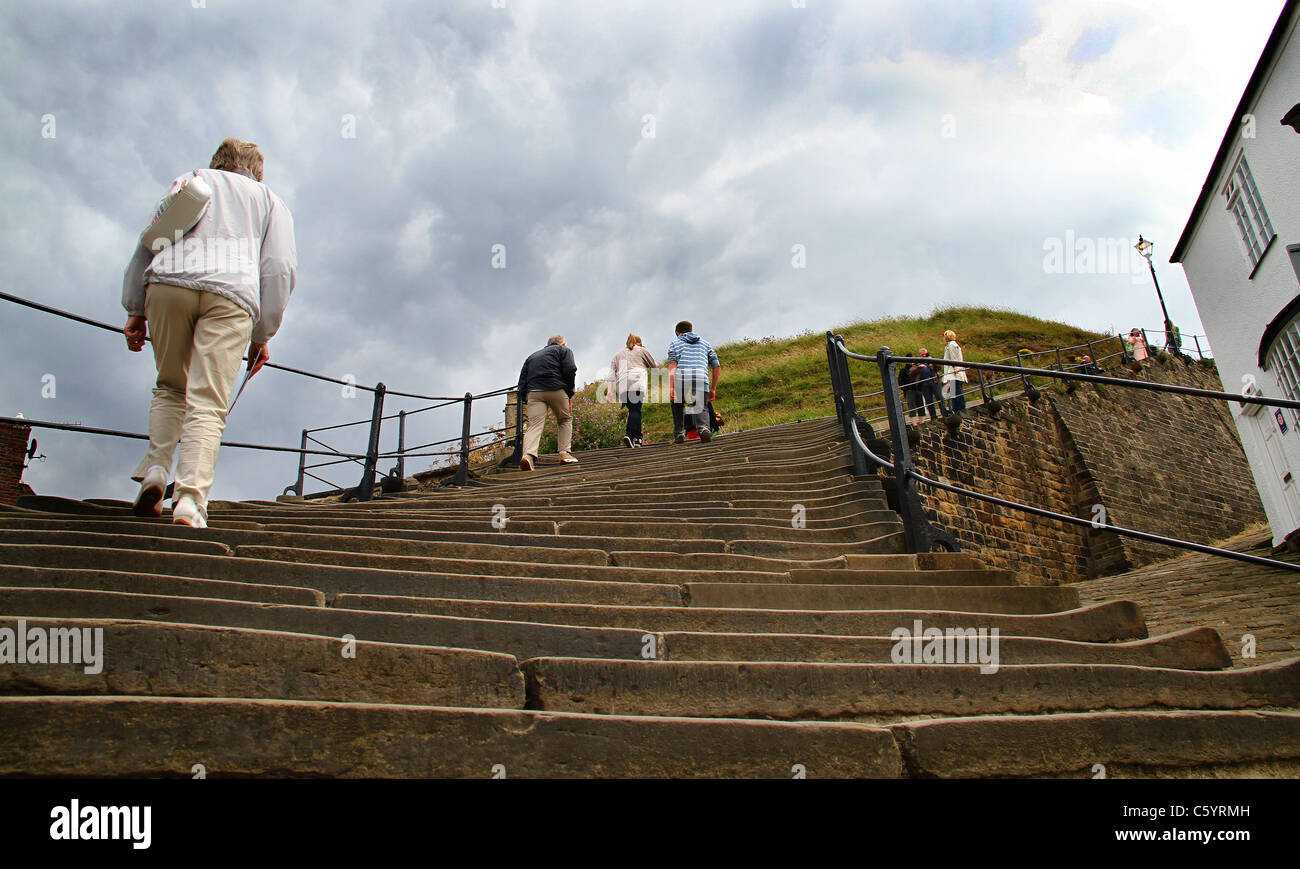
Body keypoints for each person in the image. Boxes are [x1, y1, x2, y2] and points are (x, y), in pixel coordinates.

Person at [122, 138, 297, 529]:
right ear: (257, 170)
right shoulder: (269, 201)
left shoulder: (190, 179)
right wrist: (262, 333)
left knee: (170, 386)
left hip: (168, 284)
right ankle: (189, 500)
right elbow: (280, 269)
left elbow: (149, 242)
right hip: (232, 296)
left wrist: (135, 308)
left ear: (217, 162)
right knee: (208, 401)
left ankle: (155, 473)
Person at [517, 334, 578, 471]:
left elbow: (522, 380)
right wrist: (569, 393)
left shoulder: (532, 356)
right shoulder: (564, 351)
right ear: (562, 343)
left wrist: (524, 397)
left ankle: (527, 455)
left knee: (534, 425)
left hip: (534, 391)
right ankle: (564, 453)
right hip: (556, 388)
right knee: (564, 419)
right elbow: (570, 369)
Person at [667, 320, 720, 443]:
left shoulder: (675, 343)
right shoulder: (705, 343)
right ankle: (704, 429)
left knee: (677, 404)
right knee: (700, 405)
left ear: (677, 333)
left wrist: (671, 387)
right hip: (701, 377)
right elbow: (716, 365)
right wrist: (713, 388)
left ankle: (679, 433)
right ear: (691, 330)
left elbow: (673, 366)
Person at [607, 334, 658, 447]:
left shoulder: (617, 354)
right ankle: (629, 435)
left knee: (634, 410)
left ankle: (637, 439)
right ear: (639, 343)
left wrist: (609, 391)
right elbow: (655, 368)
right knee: (635, 410)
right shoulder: (641, 350)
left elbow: (611, 375)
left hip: (622, 386)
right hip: (636, 384)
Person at [941, 330, 968, 415]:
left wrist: (956, 368)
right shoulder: (951, 345)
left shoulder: (952, 345)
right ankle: (956, 408)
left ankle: (960, 408)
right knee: (954, 391)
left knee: (956, 391)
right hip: (953, 372)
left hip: (954, 372)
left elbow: (954, 358)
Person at [913, 348, 943, 420]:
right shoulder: (916, 363)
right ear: (919, 355)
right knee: (929, 401)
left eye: (925, 354)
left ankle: (944, 414)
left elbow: (939, 368)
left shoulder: (931, 360)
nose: (924, 356)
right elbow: (912, 372)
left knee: (939, 398)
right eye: (922, 355)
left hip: (934, 381)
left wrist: (932, 361)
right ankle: (933, 417)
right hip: (924, 383)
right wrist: (918, 368)